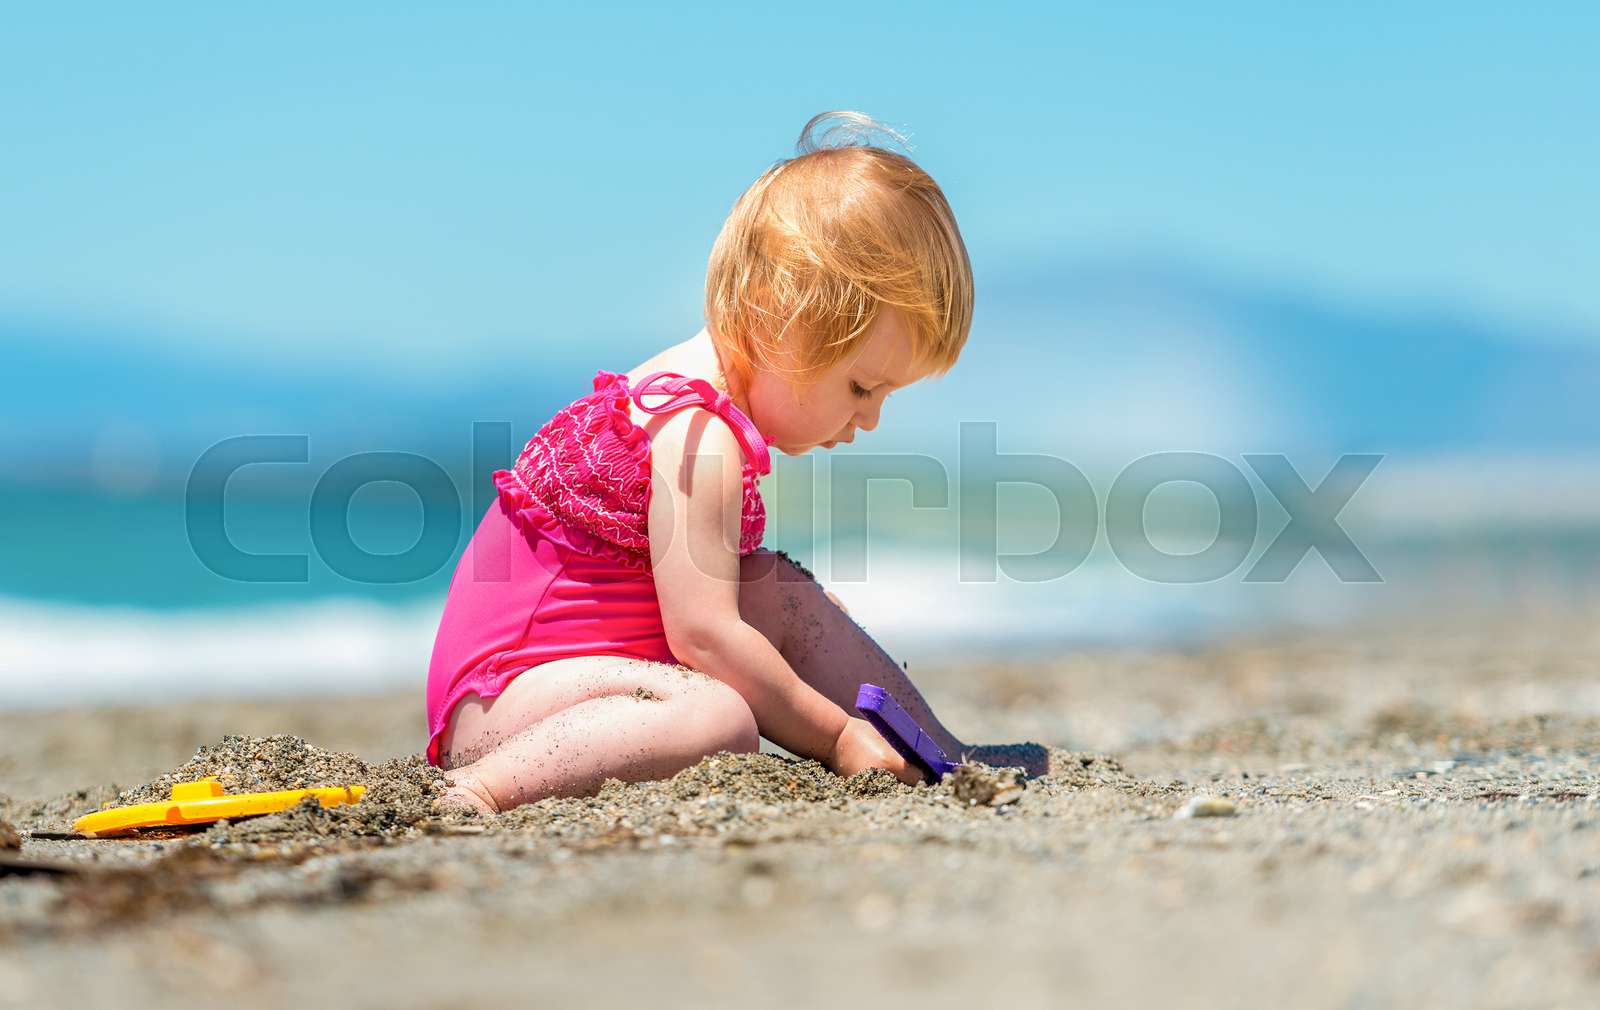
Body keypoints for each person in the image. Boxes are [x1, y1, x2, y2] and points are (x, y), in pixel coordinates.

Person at [426, 110, 989, 814]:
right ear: (781, 317)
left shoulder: (708, 412)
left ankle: (942, 752)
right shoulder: (697, 433)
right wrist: (838, 735)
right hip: (507, 708)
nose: (870, 417)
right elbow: (703, 636)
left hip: (591, 687)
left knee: (778, 588)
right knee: (720, 717)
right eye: (861, 386)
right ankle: (476, 790)